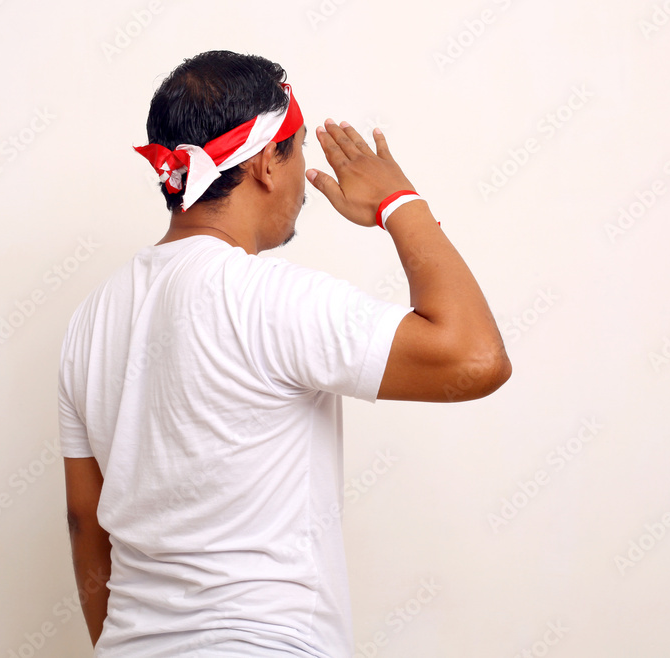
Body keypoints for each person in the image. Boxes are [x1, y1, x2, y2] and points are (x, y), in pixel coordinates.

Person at [58, 50, 511, 657]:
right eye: (296, 149)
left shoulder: (90, 321)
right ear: (267, 163)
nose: (304, 178)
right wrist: (400, 204)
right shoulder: (268, 299)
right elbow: (476, 358)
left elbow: (85, 521)